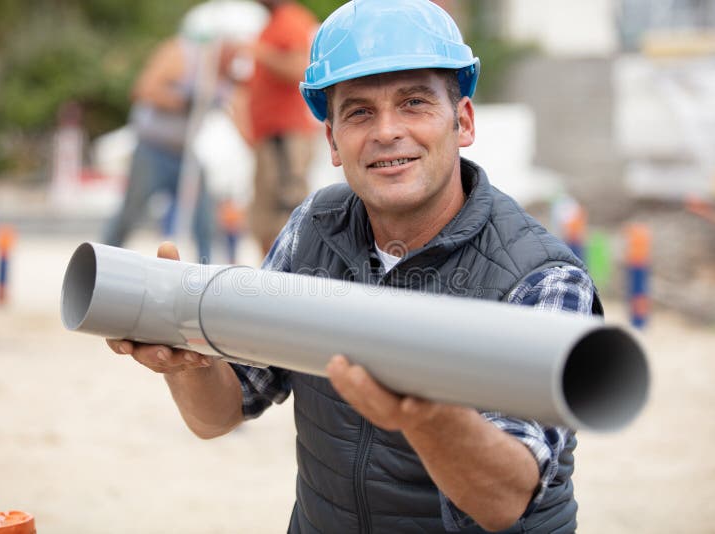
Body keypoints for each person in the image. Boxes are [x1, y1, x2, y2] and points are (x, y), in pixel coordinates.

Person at [106, 1, 602, 532]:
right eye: (360, 112)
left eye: (414, 103)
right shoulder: (312, 229)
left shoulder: (543, 279)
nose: (387, 131)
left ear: (463, 122)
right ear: (333, 141)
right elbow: (221, 414)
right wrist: (191, 360)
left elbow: (505, 500)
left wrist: (424, 411)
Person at [101, 29, 215, 263]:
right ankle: (102, 263)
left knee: (204, 218)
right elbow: (143, 89)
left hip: (185, 155)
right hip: (154, 149)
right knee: (130, 213)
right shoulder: (182, 55)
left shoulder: (223, 76)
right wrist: (182, 101)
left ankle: (207, 275)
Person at [237, 0, 318, 255]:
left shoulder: (290, 20)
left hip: (285, 135)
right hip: (272, 136)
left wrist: (261, 53)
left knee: (283, 214)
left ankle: (283, 284)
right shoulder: (273, 23)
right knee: (265, 216)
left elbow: (299, 68)